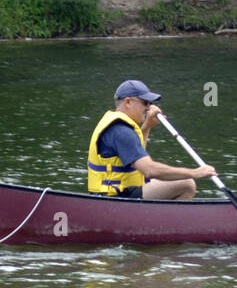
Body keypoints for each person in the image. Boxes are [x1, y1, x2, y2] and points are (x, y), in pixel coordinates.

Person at [87, 80, 217, 199]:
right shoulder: (122, 132)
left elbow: (134, 153)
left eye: (150, 103)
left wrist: (147, 126)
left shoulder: (118, 127)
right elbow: (149, 170)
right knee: (187, 183)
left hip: (116, 193)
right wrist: (195, 173)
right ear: (128, 102)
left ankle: (160, 220)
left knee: (180, 182)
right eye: (145, 102)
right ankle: (165, 224)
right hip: (117, 197)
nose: (149, 107)